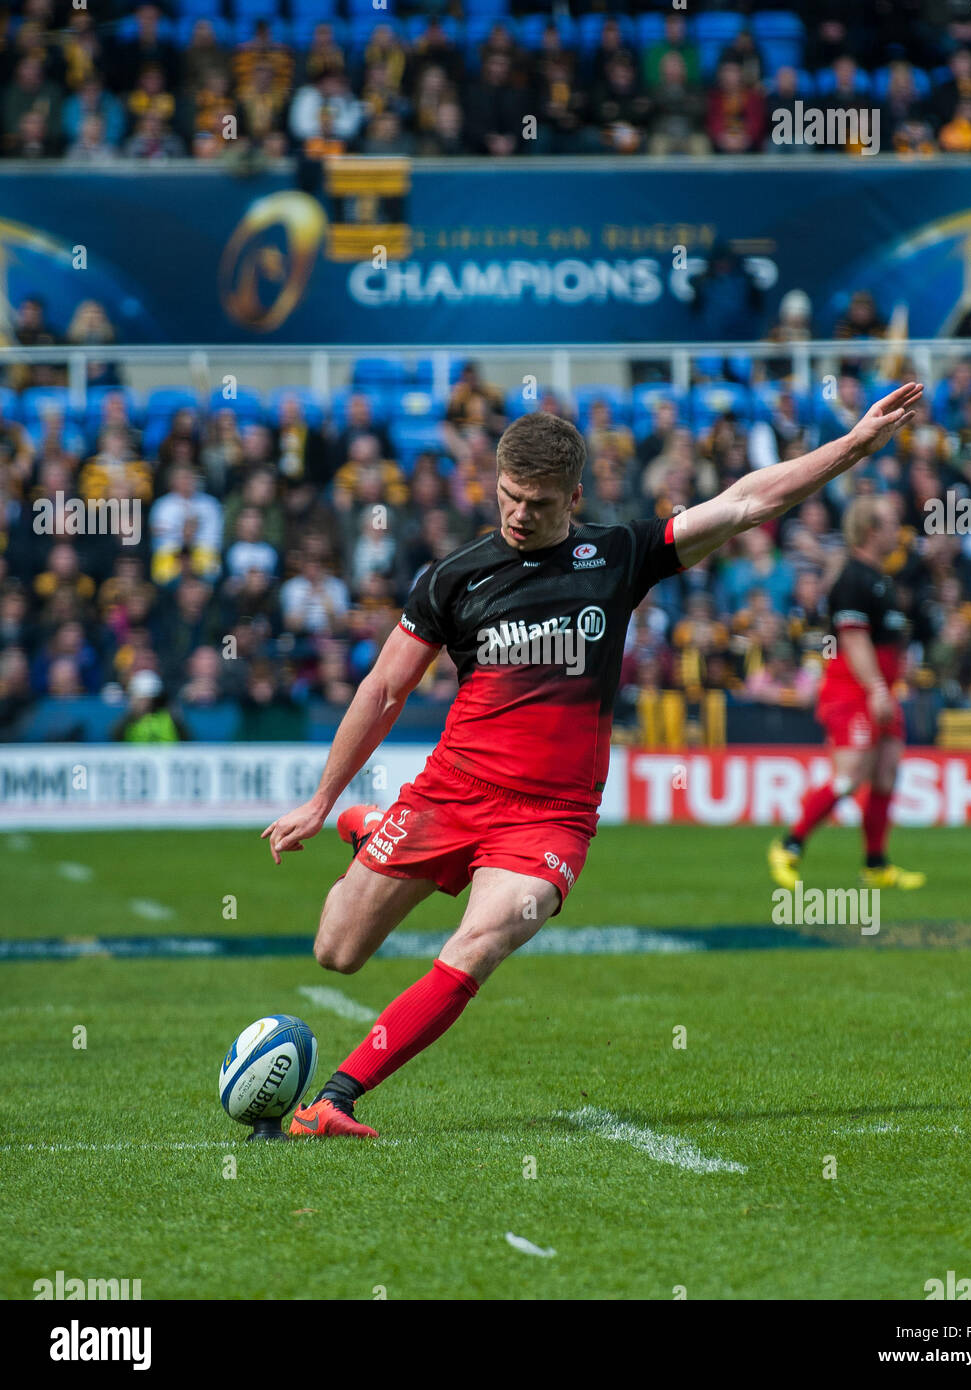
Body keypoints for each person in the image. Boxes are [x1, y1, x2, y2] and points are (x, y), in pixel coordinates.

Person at [264, 386, 923, 1139]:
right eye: (509, 498)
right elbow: (384, 686)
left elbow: (745, 503)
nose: (518, 515)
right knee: (336, 951)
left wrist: (852, 445)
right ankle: (367, 823)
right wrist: (321, 801)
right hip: (450, 791)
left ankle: (337, 1099)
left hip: (549, 816)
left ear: (573, 496)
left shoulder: (618, 555)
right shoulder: (452, 579)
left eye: (537, 504)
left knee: (488, 935)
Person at [769, 494, 927, 894]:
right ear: (871, 530)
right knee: (850, 776)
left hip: (879, 690)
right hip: (852, 691)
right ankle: (789, 845)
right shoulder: (853, 578)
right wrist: (876, 688)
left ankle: (876, 864)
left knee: (887, 770)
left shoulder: (880, 577)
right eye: (891, 524)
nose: (898, 532)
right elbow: (853, 640)